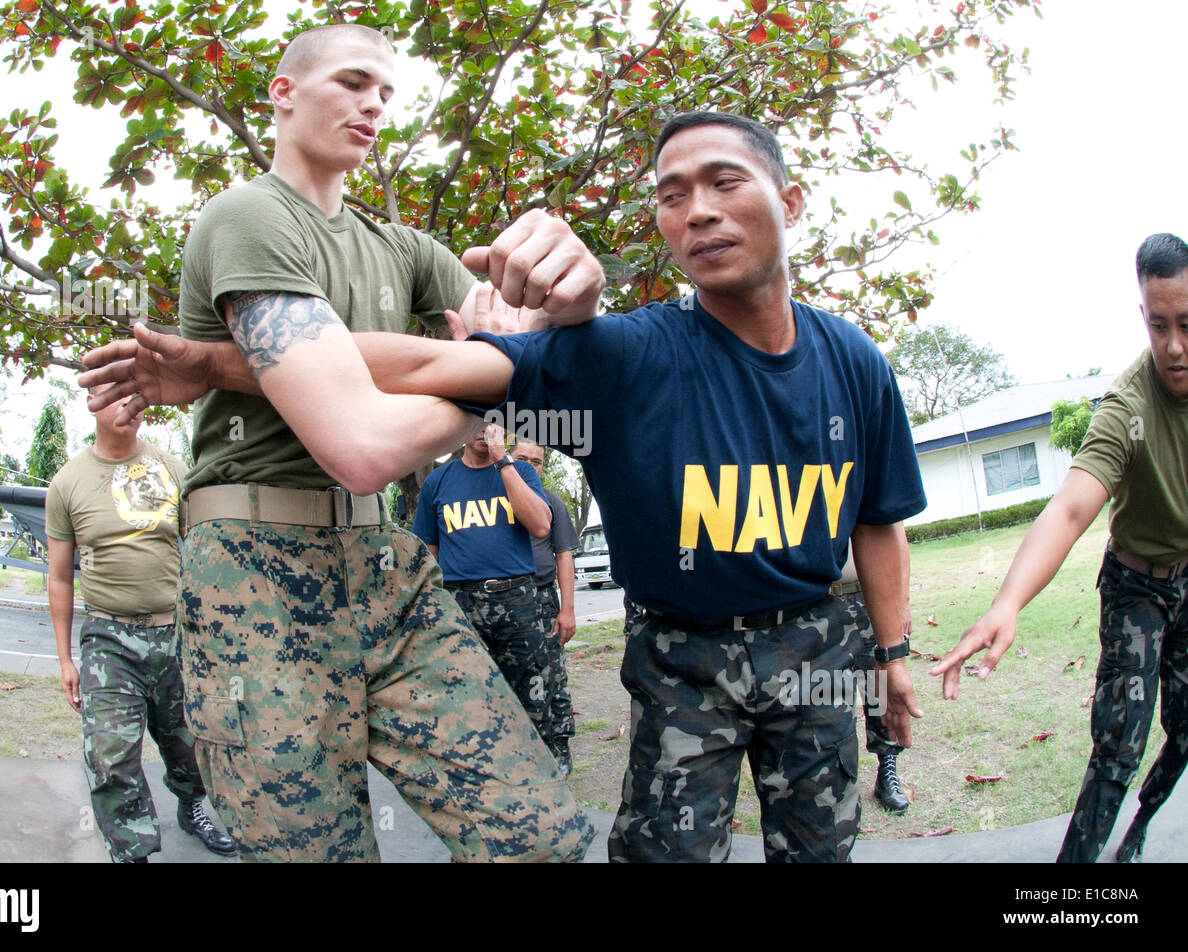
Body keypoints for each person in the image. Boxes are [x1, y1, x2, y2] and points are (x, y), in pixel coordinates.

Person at [83, 111, 926, 863]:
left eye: (724, 181)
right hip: (684, 660)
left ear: (792, 200)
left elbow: (879, 521)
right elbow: (423, 362)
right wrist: (211, 364)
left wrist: (893, 656)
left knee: (821, 847)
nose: (698, 208)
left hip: (816, 649)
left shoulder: (853, 361)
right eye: (673, 195)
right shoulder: (626, 354)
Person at [81, 23, 601, 862]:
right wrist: (484, 380)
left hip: (380, 559)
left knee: (544, 836)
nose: (375, 105)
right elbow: (357, 442)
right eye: (355, 81)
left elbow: (538, 337)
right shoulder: (248, 216)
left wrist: (568, 297)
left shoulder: (405, 248)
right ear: (282, 93)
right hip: (253, 567)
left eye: (388, 94)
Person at [935, 233, 1188, 863]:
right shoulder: (1127, 408)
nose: (1175, 346)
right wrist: (1007, 601)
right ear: (1143, 318)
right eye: (1160, 326)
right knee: (1119, 747)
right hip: (1138, 588)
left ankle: (1138, 835)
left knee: (1185, 734)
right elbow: (1072, 507)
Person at [48, 386, 234, 862]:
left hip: (175, 633)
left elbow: (201, 551)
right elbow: (58, 577)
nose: (130, 406)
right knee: (110, 756)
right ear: (91, 401)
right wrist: (66, 658)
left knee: (190, 747)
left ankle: (190, 806)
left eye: (136, 396)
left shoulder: (173, 470)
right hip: (108, 639)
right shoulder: (68, 484)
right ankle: (133, 852)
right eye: (115, 396)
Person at [412, 425, 557, 758]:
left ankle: (535, 771)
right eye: (473, 420)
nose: (483, 428)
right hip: (459, 601)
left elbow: (540, 525)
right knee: (467, 694)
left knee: (531, 694)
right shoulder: (438, 481)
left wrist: (502, 461)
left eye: (492, 420)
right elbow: (427, 552)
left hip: (516, 600)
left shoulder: (519, 470)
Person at [512, 440, 580, 776]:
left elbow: (564, 556)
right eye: (521, 458)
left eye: (536, 462)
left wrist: (567, 609)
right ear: (508, 456)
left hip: (541, 598)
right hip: (503, 602)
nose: (529, 466)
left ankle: (560, 749)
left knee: (552, 675)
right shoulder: (493, 498)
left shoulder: (551, 501)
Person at [836, 546, 912, 813]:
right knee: (823, 697)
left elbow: (894, 538)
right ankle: (834, 782)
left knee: (878, 687)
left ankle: (887, 770)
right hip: (816, 604)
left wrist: (901, 603)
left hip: (868, 595)